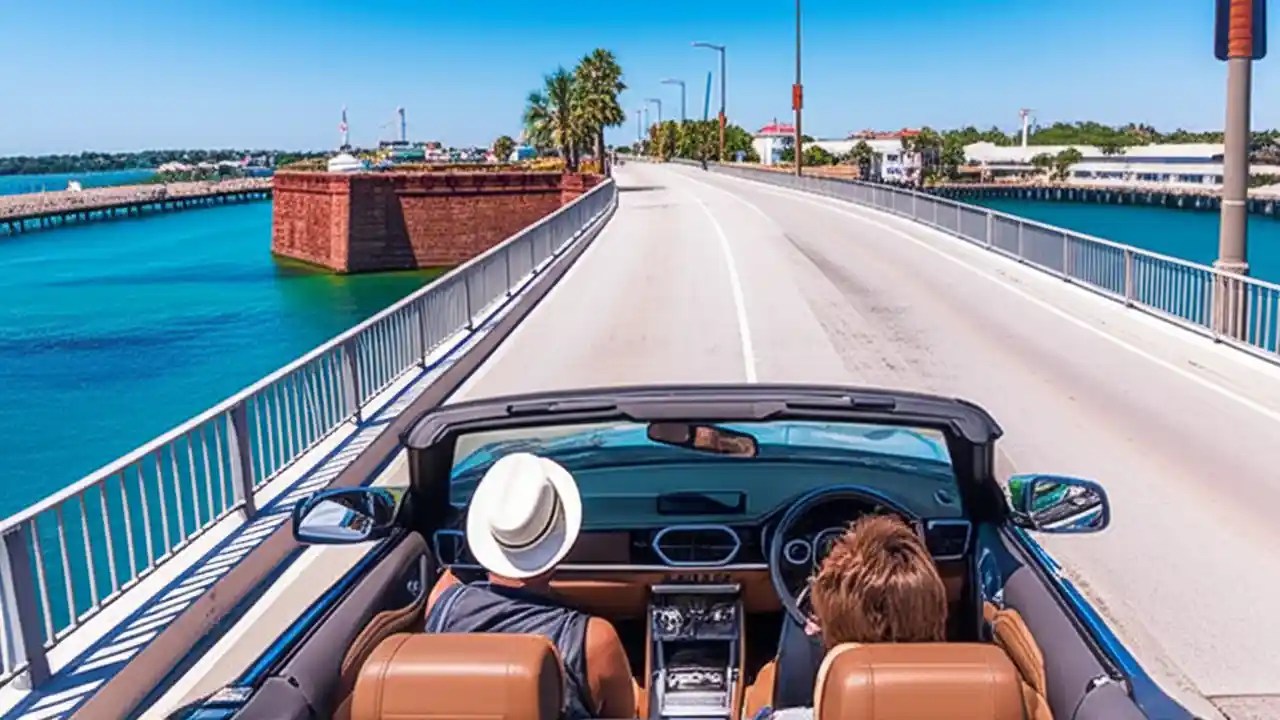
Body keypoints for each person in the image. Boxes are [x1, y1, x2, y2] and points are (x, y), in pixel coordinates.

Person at [748, 515, 1050, 719]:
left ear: (825, 632)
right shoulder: (1015, 702)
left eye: (817, 617)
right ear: (938, 613)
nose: (812, 625)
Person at [424, 452, 637, 719]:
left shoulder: (443, 602)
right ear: (562, 546)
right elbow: (626, 714)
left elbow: (456, 571)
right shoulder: (594, 639)